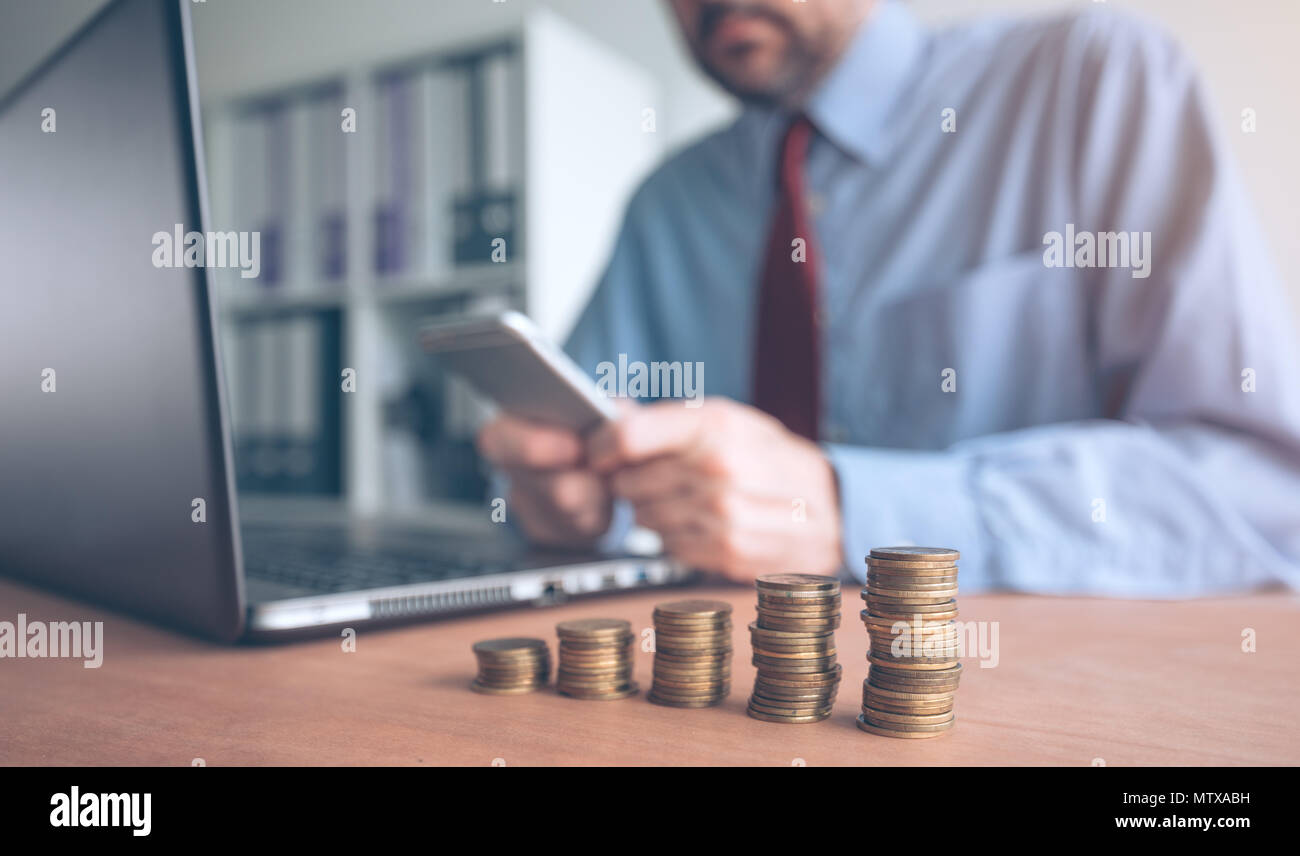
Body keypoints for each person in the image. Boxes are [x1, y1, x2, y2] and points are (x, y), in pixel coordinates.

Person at [477, 0, 1300, 595]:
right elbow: (588, 463)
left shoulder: (1097, 82)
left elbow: (1261, 492)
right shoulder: (667, 205)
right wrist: (571, 505)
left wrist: (854, 512)